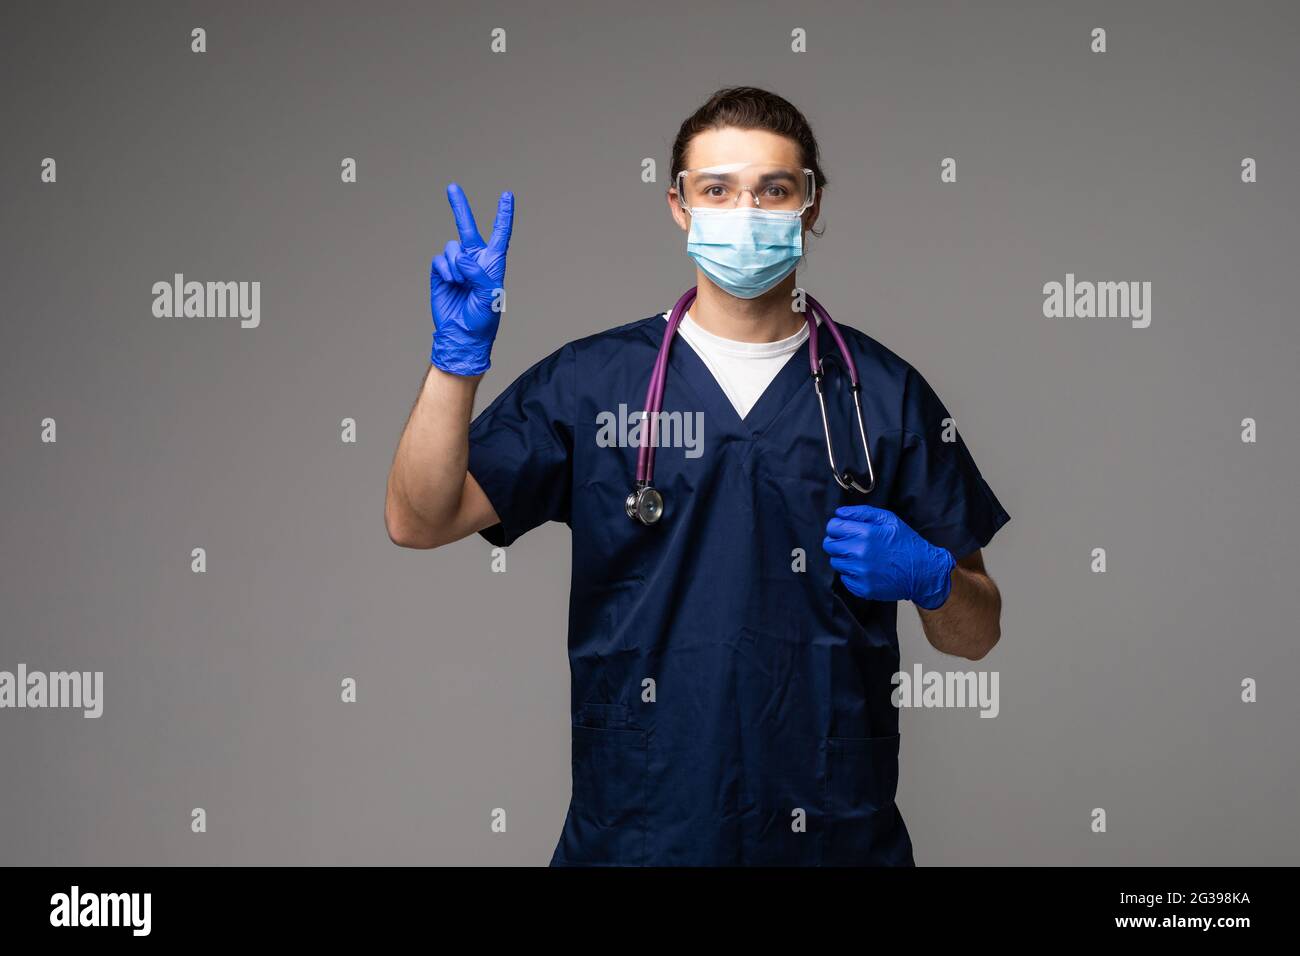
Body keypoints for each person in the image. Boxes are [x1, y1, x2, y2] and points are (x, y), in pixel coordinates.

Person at [385, 87, 1010, 866]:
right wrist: (454, 365)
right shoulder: (592, 384)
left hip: (833, 833)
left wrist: (933, 578)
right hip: (642, 831)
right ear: (678, 205)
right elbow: (420, 518)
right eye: (716, 189)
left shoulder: (883, 395)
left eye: (772, 190)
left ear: (810, 206)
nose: (744, 211)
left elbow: (977, 634)